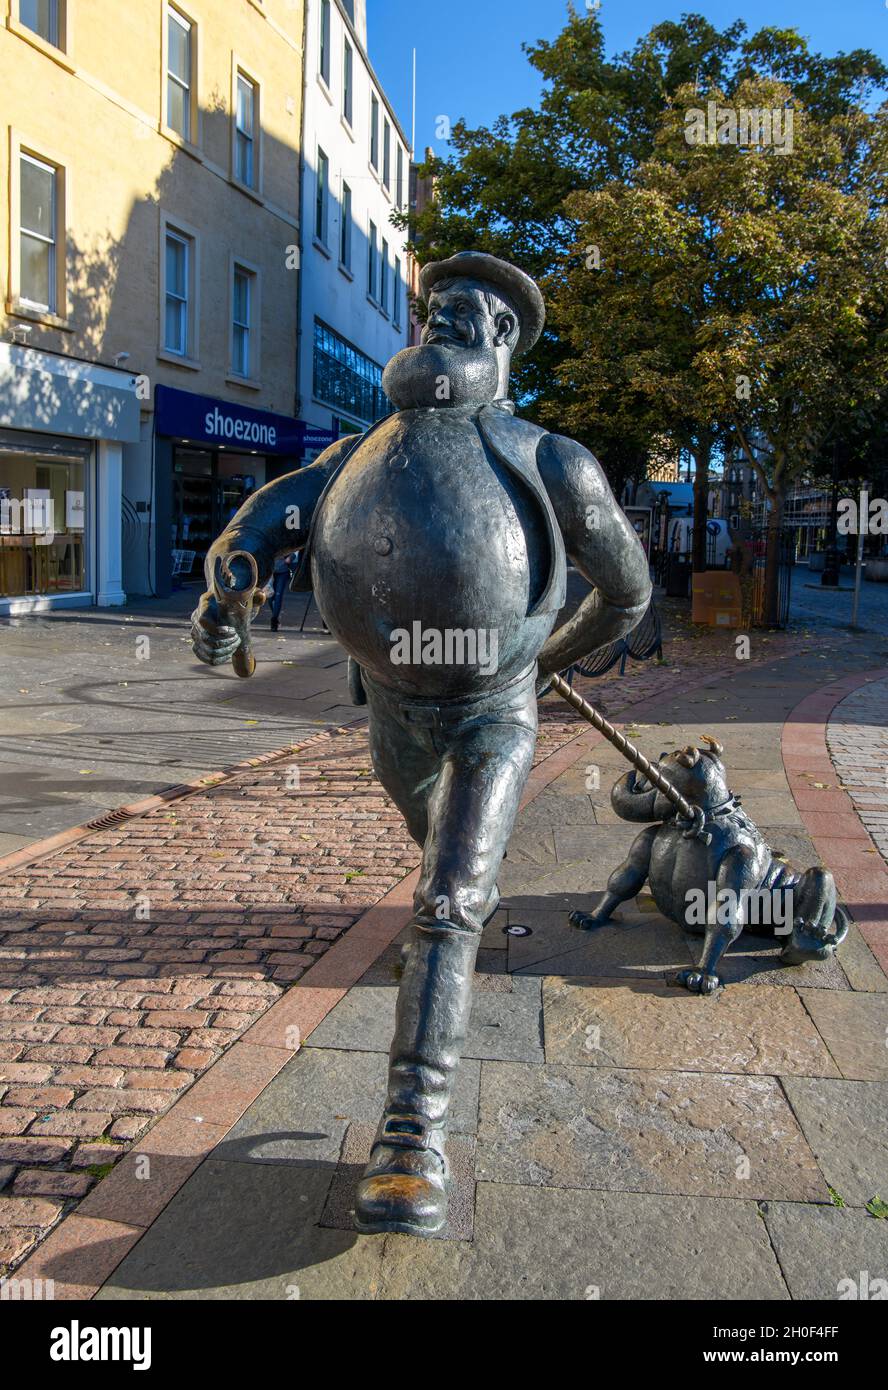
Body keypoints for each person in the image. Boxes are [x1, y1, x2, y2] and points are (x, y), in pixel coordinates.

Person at [190, 251, 651, 1236]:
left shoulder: (549, 459)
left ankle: (411, 1131)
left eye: (469, 316)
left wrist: (545, 661)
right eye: (436, 308)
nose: (443, 322)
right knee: (437, 862)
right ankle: (444, 943)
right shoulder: (362, 448)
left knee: (447, 899)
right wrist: (231, 572)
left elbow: (630, 590)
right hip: (394, 713)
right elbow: (276, 509)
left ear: (504, 349)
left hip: (492, 710)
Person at [268, 551, 298, 631]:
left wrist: (290, 558)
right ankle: (276, 617)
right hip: (270, 572)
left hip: (283, 572)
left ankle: (274, 621)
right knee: (270, 597)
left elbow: (295, 551)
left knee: (278, 595)